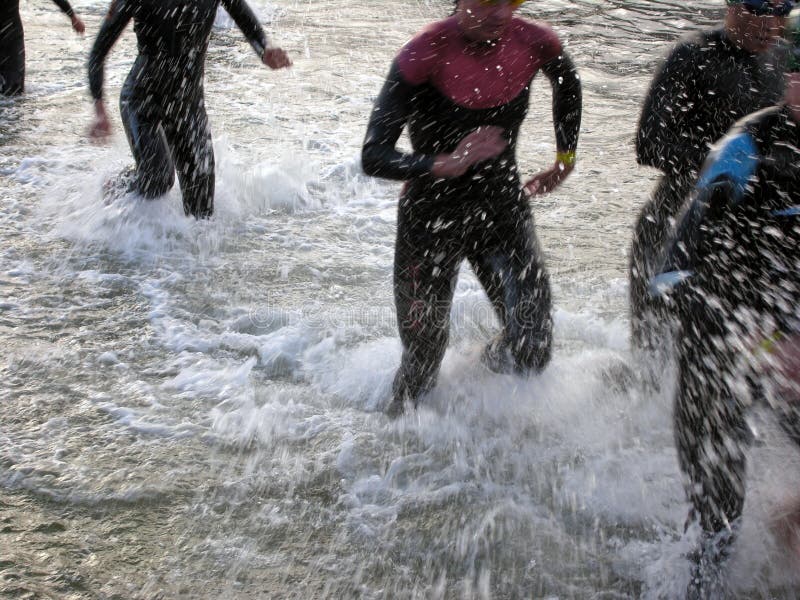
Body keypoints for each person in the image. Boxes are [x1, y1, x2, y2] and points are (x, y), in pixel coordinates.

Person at [361, 0, 581, 416]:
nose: (500, 12)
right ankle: (392, 443)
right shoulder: (423, 52)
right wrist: (441, 163)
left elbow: (567, 81)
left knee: (532, 342)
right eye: (486, 1)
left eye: (510, 1)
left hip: (501, 210)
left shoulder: (534, 41)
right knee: (424, 358)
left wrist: (564, 159)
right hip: (430, 219)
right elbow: (373, 154)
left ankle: (483, 373)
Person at [652, 17, 800, 595]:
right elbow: (676, 267)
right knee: (718, 524)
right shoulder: (745, 149)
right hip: (719, 334)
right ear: (792, 80)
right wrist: (762, 339)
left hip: (785, 332)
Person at [629, 0, 792, 353]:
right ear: (732, 4)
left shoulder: (785, 61)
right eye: (761, 9)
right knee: (654, 360)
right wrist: (728, 165)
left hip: (746, 238)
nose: (771, 23)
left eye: (782, 11)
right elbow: (650, 144)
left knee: (749, 357)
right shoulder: (691, 55)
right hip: (672, 230)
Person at [87, 0, 291, 218]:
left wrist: (264, 48)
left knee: (202, 214)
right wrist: (100, 109)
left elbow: (243, 17)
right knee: (158, 180)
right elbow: (97, 55)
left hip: (189, 108)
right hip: (143, 103)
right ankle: (115, 188)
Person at [0, 0, 85, 96]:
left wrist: (72, 16)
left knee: (14, 93)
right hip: (11, 32)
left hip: (11, 36)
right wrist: (72, 16)